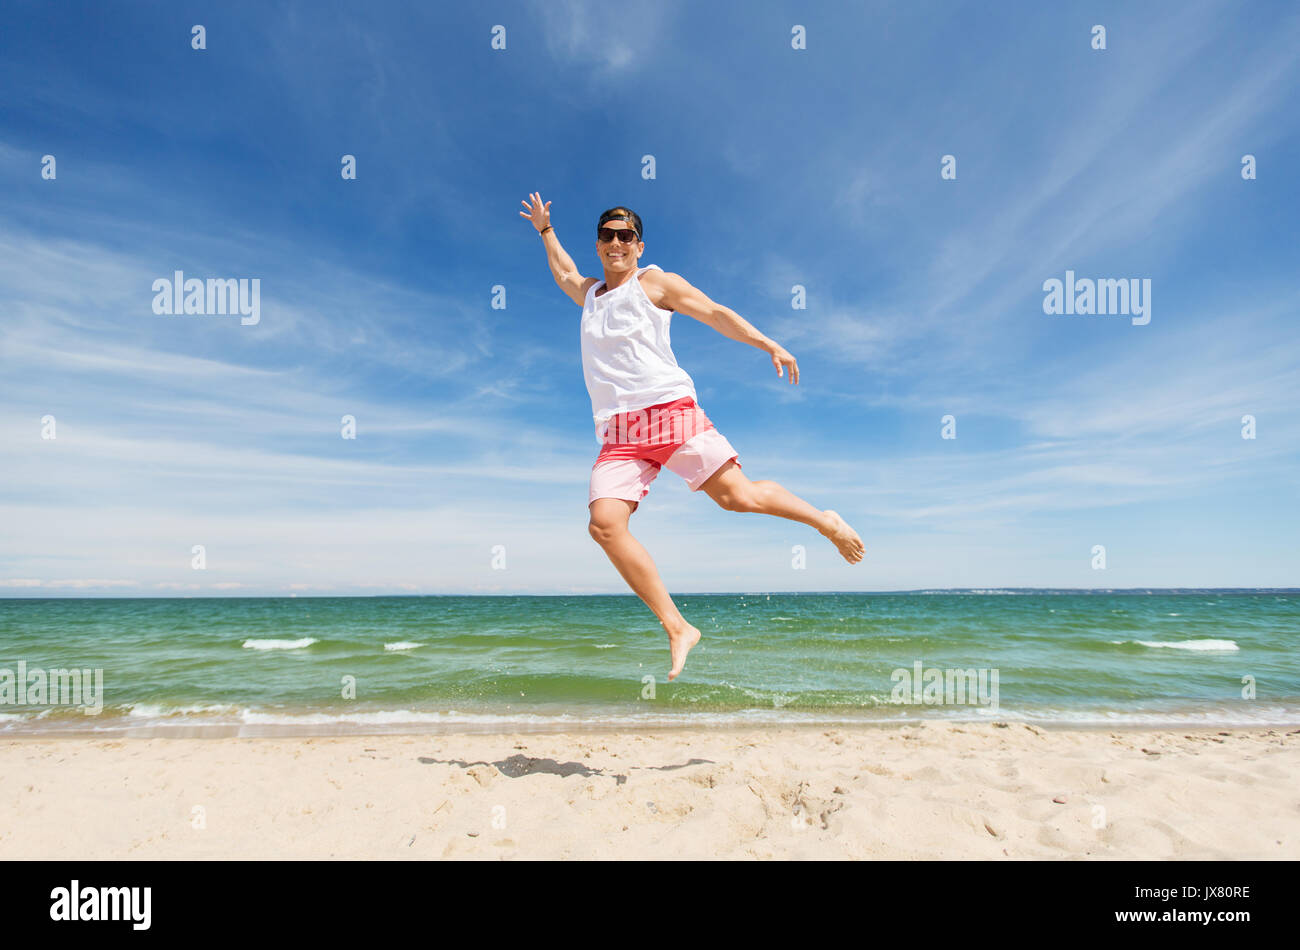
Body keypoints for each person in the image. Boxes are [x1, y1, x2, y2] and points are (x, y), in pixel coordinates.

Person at [520, 192, 865, 680]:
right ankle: (678, 627)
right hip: (620, 431)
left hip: (668, 411)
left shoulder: (654, 282)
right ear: (598, 245)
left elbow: (714, 312)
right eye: (607, 236)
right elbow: (563, 274)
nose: (616, 243)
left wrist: (767, 342)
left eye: (626, 236)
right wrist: (545, 230)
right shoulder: (591, 295)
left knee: (736, 497)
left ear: (638, 245)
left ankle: (824, 521)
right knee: (604, 524)